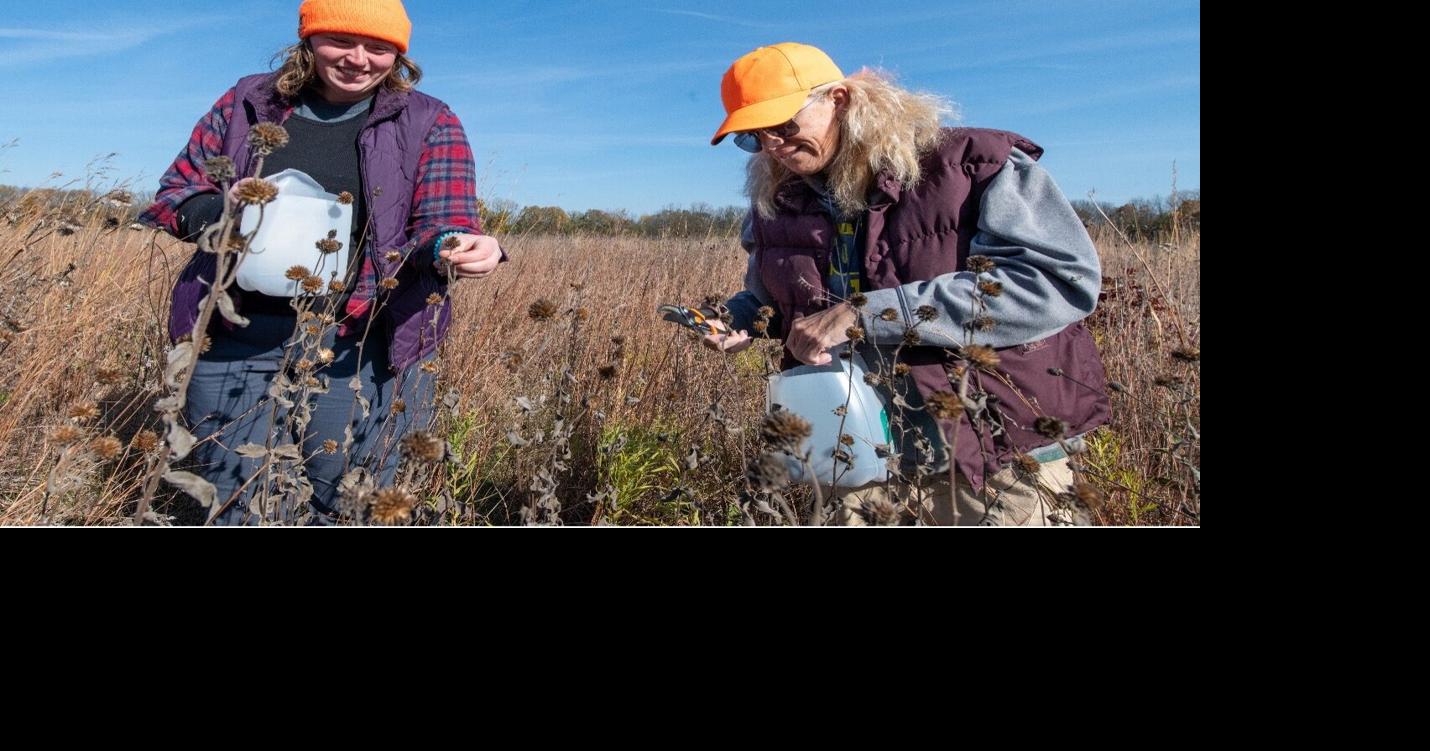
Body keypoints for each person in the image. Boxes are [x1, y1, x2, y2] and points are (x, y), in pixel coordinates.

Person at [706, 43, 1109, 526]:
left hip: (990, 455)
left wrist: (862, 313)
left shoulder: (973, 167)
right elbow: (775, 298)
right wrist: (740, 317)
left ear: (838, 99)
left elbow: (1053, 281)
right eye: (752, 137)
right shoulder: (774, 202)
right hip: (854, 454)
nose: (772, 144)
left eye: (785, 125)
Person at [138, 0, 504, 524]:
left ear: (398, 55)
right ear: (308, 39)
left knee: (347, 499)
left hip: (359, 344)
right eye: (341, 41)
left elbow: (443, 222)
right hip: (232, 336)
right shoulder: (249, 102)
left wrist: (459, 245)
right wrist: (225, 209)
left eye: (379, 48)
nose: (358, 59)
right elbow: (175, 197)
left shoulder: (429, 119)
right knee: (233, 499)